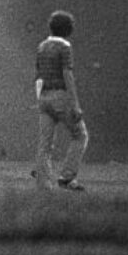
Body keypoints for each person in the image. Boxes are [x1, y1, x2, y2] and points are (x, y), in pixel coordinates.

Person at [34, 10, 89, 190]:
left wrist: (39, 99)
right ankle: (67, 176)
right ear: (68, 29)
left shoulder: (41, 46)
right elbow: (67, 74)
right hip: (60, 95)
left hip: (44, 96)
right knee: (80, 135)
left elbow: (38, 75)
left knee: (45, 144)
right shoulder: (65, 46)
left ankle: (44, 185)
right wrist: (75, 104)